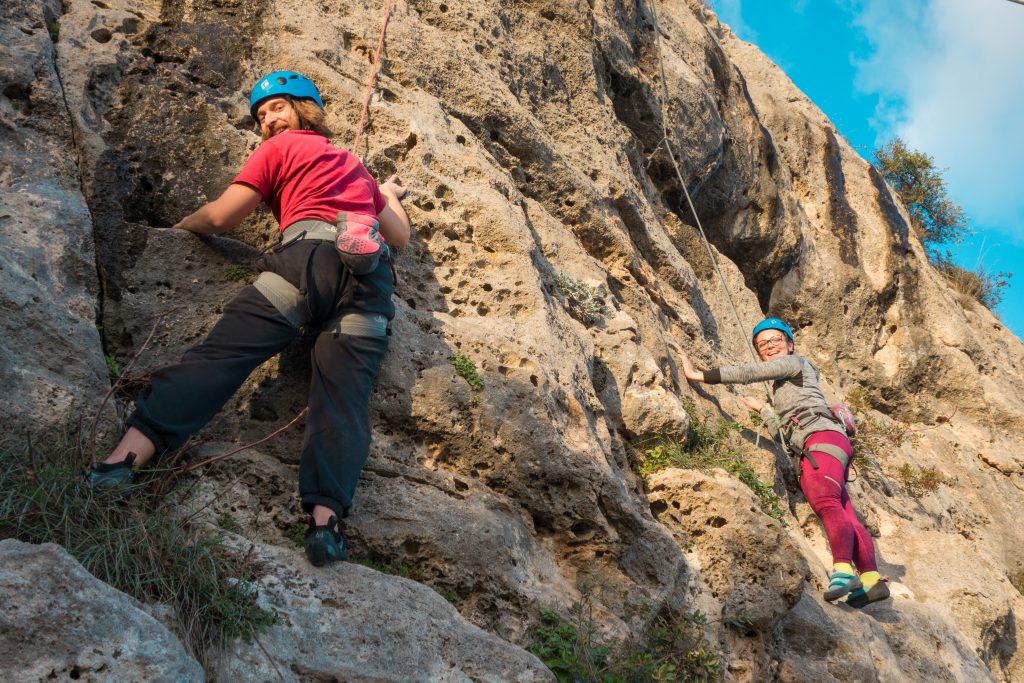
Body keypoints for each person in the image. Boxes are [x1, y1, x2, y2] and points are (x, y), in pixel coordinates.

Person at [84, 70, 411, 567]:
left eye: (276, 107)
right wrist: (385, 195)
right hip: (370, 285)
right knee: (343, 404)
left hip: (306, 263)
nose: (267, 121)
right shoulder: (355, 165)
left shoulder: (280, 149)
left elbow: (222, 217)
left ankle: (118, 464)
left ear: (305, 109)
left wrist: (182, 225)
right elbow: (401, 238)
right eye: (261, 116)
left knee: (220, 358)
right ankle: (326, 529)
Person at [680, 318, 890, 608]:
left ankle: (842, 570)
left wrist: (699, 375)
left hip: (820, 439)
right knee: (844, 511)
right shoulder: (786, 386)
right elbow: (783, 433)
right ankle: (870, 581)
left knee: (825, 500)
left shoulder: (796, 363)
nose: (769, 346)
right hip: (824, 441)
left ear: (789, 344)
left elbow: (750, 373)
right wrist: (765, 410)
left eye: (776, 340)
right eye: (763, 344)